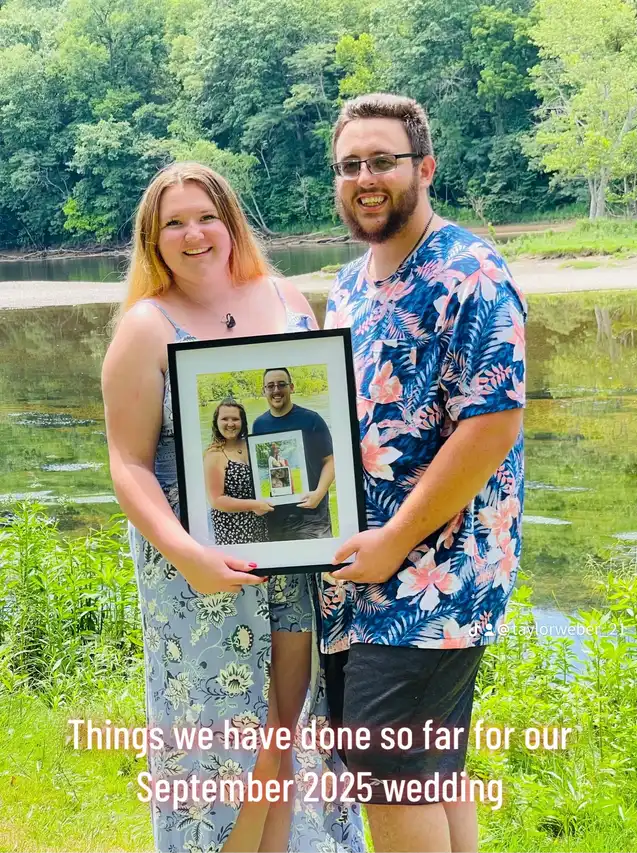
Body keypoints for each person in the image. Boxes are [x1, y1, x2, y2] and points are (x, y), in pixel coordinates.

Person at [101, 162, 363, 853]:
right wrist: (190, 556)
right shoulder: (145, 328)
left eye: (206, 217)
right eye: (174, 223)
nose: (194, 235)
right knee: (224, 740)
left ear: (230, 222)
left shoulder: (284, 298)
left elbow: (321, 429)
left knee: (287, 725)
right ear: (152, 239)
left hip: (295, 557)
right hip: (196, 571)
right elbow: (128, 465)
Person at [322, 93, 527, 853]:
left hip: (439, 571)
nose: (365, 178)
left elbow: (492, 423)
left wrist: (395, 539)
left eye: (383, 160)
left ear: (425, 168)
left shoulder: (470, 272)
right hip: (362, 572)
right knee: (427, 765)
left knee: (385, 766)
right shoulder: (347, 285)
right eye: (350, 165)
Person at [252, 367, 334, 541]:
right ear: (263, 391)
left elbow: (330, 461)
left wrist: (319, 493)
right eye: (270, 386)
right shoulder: (259, 425)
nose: (276, 390)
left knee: (319, 558)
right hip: (275, 515)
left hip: (312, 514)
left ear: (291, 387)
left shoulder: (312, 419)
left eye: (282, 384)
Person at [204, 398, 272, 545]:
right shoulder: (214, 455)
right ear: (216, 422)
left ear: (242, 422)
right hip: (232, 529)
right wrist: (254, 505)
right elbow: (216, 500)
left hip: (258, 524)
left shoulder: (252, 445)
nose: (230, 424)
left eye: (235, 419)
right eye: (224, 419)